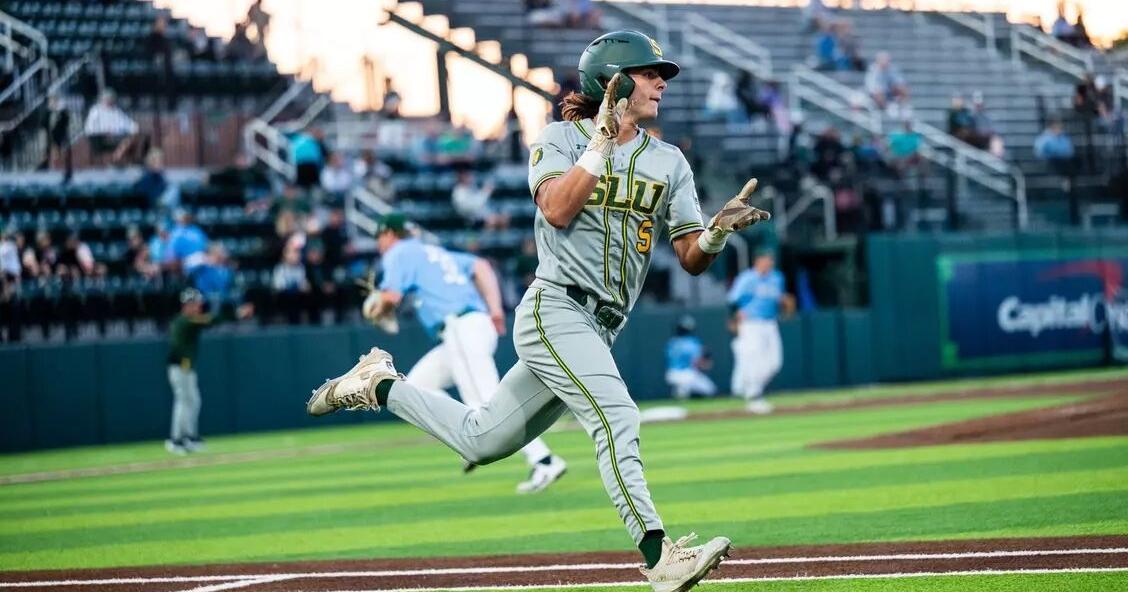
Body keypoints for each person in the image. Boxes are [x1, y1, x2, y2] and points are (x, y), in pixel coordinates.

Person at [305, 31, 771, 591]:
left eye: (661, 75)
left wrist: (717, 232)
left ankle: (378, 385)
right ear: (614, 81)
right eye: (649, 73)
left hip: (601, 326)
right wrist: (600, 145)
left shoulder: (669, 162)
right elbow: (554, 209)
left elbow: (691, 257)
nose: (661, 83)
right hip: (556, 308)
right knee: (616, 416)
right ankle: (659, 555)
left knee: (483, 438)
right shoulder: (560, 139)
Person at [360, 213, 568, 494]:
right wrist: (494, 309)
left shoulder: (398, 251)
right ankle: (466, 441)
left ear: (388, 234)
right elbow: (481, 266)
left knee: (487, 404)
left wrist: (376, 305)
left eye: (379, 237)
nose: (379, 244)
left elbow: (391, 297)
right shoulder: (431, 250)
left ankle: (544, 460)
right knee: (418, 385)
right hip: (468, 327)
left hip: (460, 327)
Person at [165, 288, 252, 454]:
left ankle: (189, 437)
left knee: (193, 401)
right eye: (195, 304)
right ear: (186, 305)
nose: (198, 306)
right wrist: (238, 314)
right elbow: (212, 320)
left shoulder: (187, 320)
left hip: (185, 367)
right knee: (183, 401)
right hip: (179, 366)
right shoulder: (184, 320)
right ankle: (176, 439)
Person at [728, 251, 793, 414]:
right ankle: (754, 395)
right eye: (766, 261)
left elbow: (780, 299)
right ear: (757, 261)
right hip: (751, 323)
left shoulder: (777, 278)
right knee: (754, 359)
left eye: (771, 261)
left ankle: (748, 386)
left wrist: (785, 305)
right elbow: (733, 300)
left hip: (770, 323)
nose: (769, 264)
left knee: (775, 363)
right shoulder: (747, 278)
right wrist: (733, 318)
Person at [83, 90, 146, 165]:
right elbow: (89, 128)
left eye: (111, 99)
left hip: (119, 135)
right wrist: (104, 132)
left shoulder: (116, 111)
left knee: (140, 137)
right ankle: (116, 160)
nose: (109, 101)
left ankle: (124, 158)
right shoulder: (96, 111)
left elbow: (128, 123)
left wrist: (135, 128)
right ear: (102, 99)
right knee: (128, 140)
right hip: (102, 137)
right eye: (107, 99)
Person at [664, 315, 715, 400]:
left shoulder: (671, 342)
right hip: (687, 374)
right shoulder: (692, 342)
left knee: (684, 391)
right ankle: (683, 392)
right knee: (710, 390)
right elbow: (697, 362)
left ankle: (681, 391)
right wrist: (706, 364)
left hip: (671, 374)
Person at [864, 52, 910, 117]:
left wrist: (897, 88)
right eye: (883, 60)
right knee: (878, 93)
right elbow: (873, 90)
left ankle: (905, 112)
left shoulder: (892, 69)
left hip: (890, 96)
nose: (885, 62)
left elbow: (900, 84)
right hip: (875, 98)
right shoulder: (872, 71)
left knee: (903, 90)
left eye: (886, 60)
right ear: (878, 61)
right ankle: (887, 110)